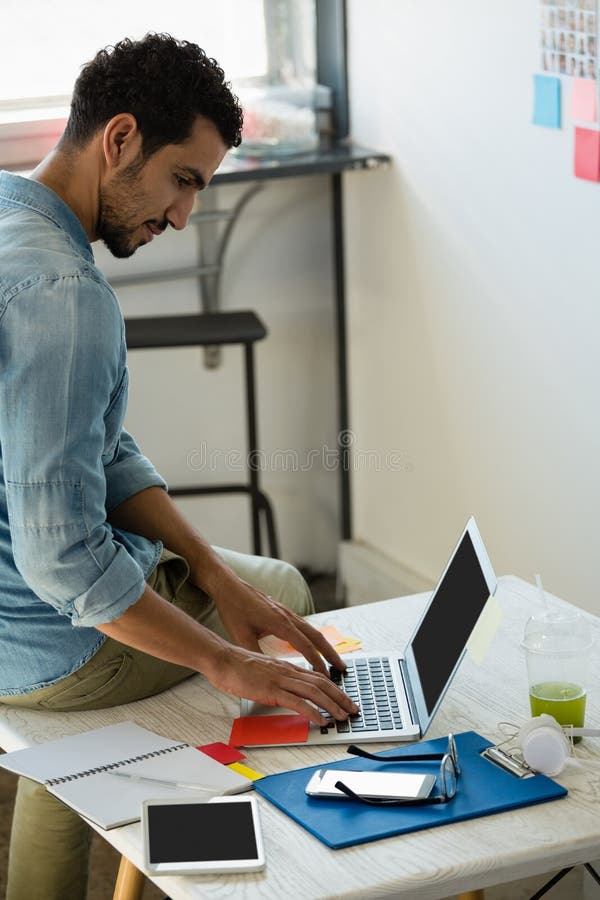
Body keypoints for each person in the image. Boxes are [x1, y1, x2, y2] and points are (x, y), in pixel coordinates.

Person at [0, 33, 357, 900]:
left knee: (245, 588)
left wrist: (206, 572)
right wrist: (224, 662)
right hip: (43, 649)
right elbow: (66, 568)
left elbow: (100, 448)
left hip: (13, 630)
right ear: (119, 139)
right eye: (184, 180)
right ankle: (250, 876)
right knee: (289, 602)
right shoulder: (65, 296)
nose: (184, 216)